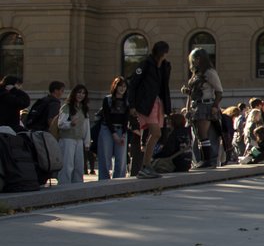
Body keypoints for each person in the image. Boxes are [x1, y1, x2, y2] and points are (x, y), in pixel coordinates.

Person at [127, 41, 172, 179]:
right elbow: (133, 83)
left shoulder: (163, 66)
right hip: (146, 103)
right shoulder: (146, 64)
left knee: (157, 134)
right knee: (156, 132)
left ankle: (146, 165)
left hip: (157, 102)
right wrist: (132, 105)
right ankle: (145, 166)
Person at [182, 48, 223, 169]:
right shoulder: (197, 73)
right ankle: (203, 159)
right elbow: (194, 92)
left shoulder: (209, 72)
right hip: (196, 105)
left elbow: (219, 91)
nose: (194, 62)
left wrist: (215, 106)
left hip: (206, 105)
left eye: (196, 59)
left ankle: (208, 160)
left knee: (203, 134)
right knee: (199, 135)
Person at [95, 77, 132, 179]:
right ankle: (104, 181)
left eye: (124, 86)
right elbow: (107, 117)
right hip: (107, 129)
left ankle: (119, 181)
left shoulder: (127, 101)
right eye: (120, 86)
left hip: (121, 130)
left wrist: (124, 134)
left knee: (121, 159)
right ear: (115, 86)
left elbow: (126, 119)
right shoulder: (108, 99)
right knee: (105, 157)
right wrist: (114, 134)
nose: (122, 88)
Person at [55, 84, 91, 185]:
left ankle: (77, 187)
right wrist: (70, 124)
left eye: (83, 93)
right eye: (79, 92)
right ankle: (64, 186)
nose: (81, 95)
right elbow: (60, 123)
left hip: (79, 140)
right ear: (74, 93)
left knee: (79, 166)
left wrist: (87, 142)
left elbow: (86, 126)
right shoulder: (67, 107)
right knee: (67, 165)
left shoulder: (84, 109)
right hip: (67, 139)